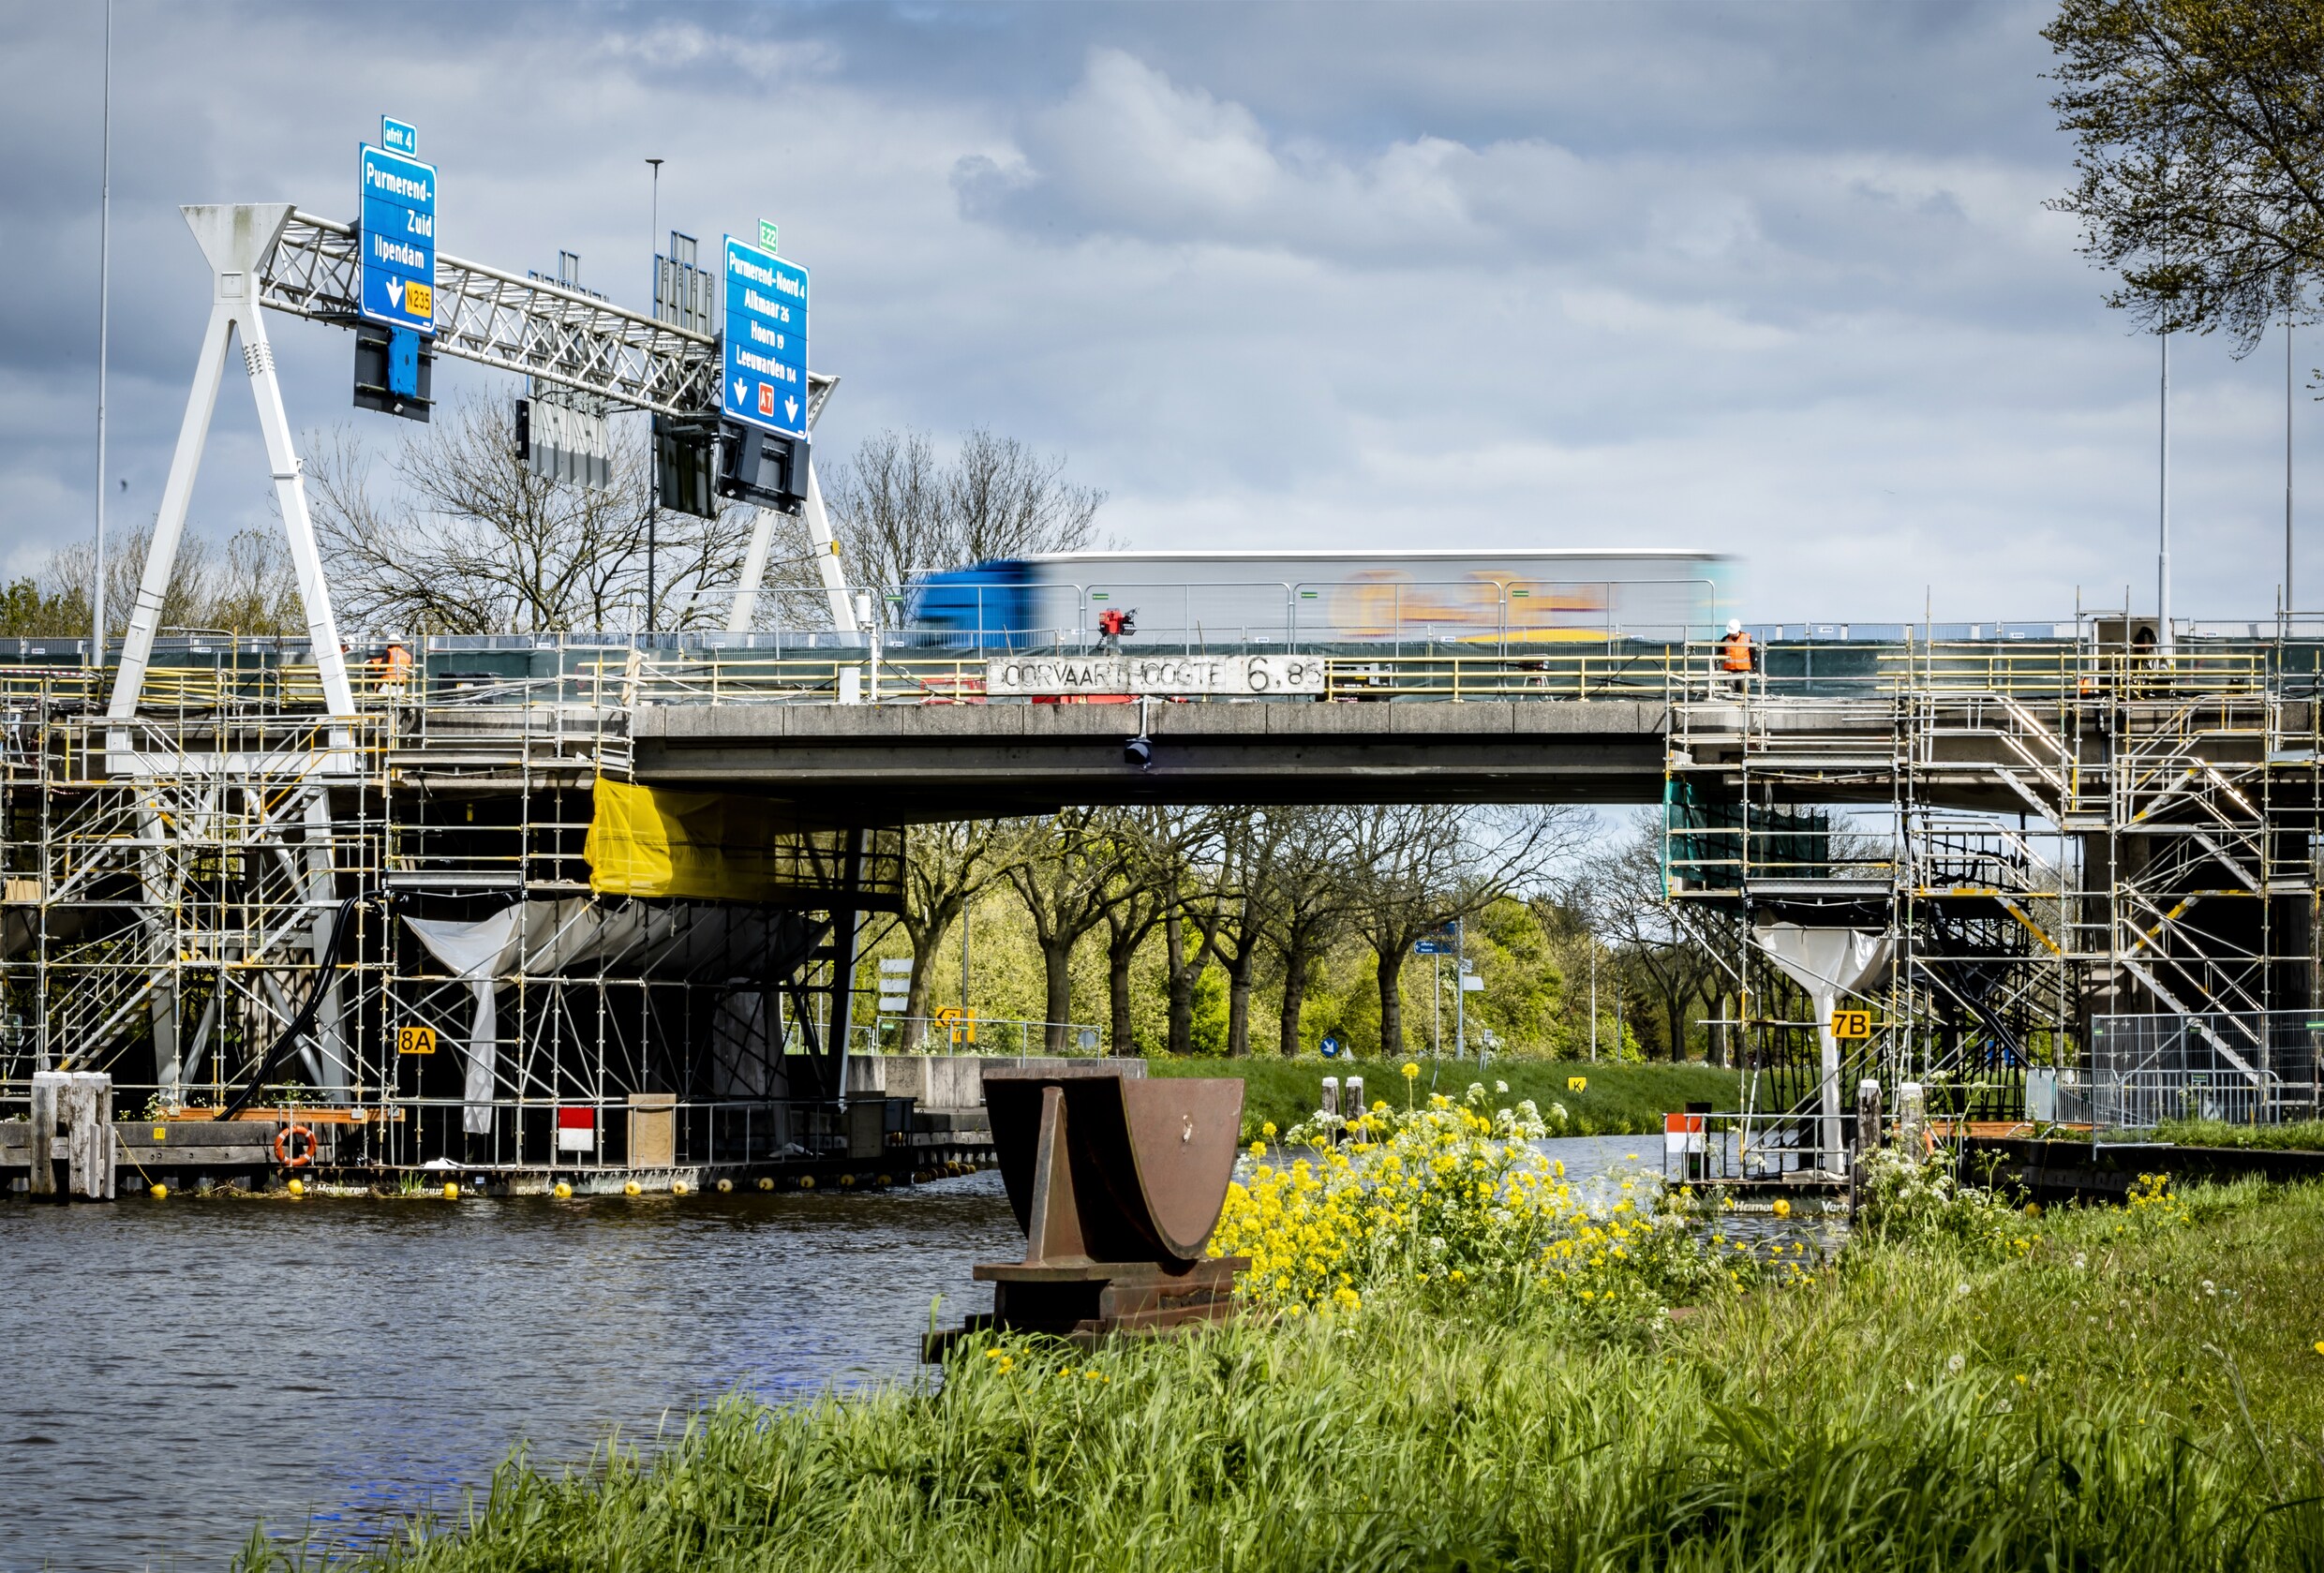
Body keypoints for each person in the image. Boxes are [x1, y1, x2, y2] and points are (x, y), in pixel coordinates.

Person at [1719, 619, 1753, 696]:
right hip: (1730, 672)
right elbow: (1719, 656)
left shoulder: (1747, 639)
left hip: (1744, 671)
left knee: (1745, 695)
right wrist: (1715, 670)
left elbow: (1753, 655)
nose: (1732, 634)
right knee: (1729, 695)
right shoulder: (1725, 640)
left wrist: (1755, 669)